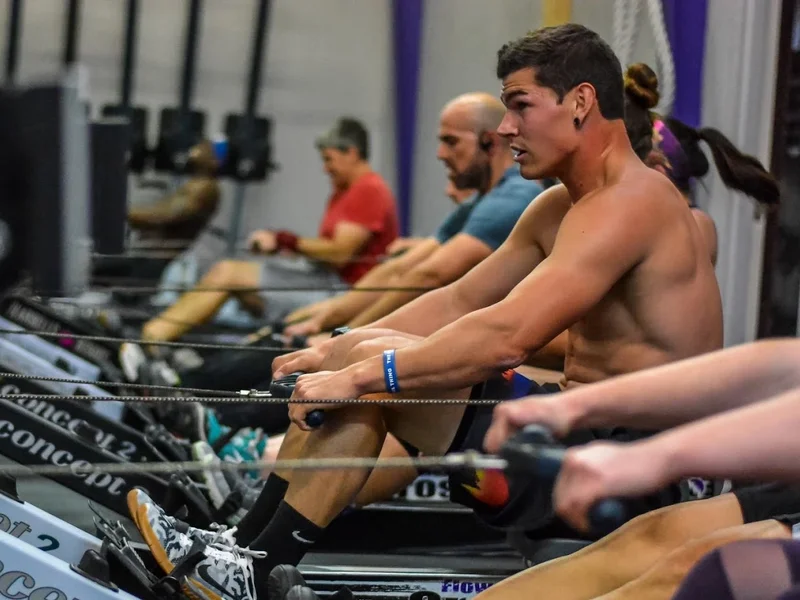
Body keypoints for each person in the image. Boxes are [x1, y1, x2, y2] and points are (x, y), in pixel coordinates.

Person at [129, 24, 723, 598]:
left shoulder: (631, 203)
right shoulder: (558, 207)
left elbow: (508, 335)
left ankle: (250, 568)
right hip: (576, 435)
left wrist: (357, 373)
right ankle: (239, 552)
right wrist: (336, 347)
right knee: (361, 354)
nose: (508, 128)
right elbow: (460, 297)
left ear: (581, 101)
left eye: (520, 106)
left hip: (636, 474)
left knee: (370, 370)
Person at [284, 92, 545, 338]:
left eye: (450, 142)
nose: (440, 154)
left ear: (490, 142)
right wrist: (318, 317)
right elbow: (399, 269)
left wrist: (347, 335)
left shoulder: (514, 196)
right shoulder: (479, 201)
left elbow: (430, 275)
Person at [140, 117, 399, 343]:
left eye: (329, 160)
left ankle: (151, 340)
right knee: (235, 280)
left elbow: (340, 253)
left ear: (351, 153)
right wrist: (287, 249)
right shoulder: (345, 191)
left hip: (341, 294)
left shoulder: (368, 189)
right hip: (324, 280)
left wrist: (284, 241)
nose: (325, 168)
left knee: (228, 273)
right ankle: (163, 344)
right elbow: (332, 253)